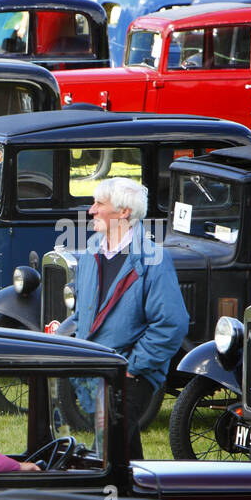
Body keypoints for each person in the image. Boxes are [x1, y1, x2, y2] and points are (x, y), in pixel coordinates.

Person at [68, 177, 187, 458]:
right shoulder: (91, 252)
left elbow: (172, 323)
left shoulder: (153, 259)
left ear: (124, 213)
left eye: (99, 204)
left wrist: (133, 366)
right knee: (123, 450)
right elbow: (83, 312)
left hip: (129, 375)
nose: (91, 210)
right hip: (98, 370)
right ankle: (138, 495)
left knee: (108, 451)